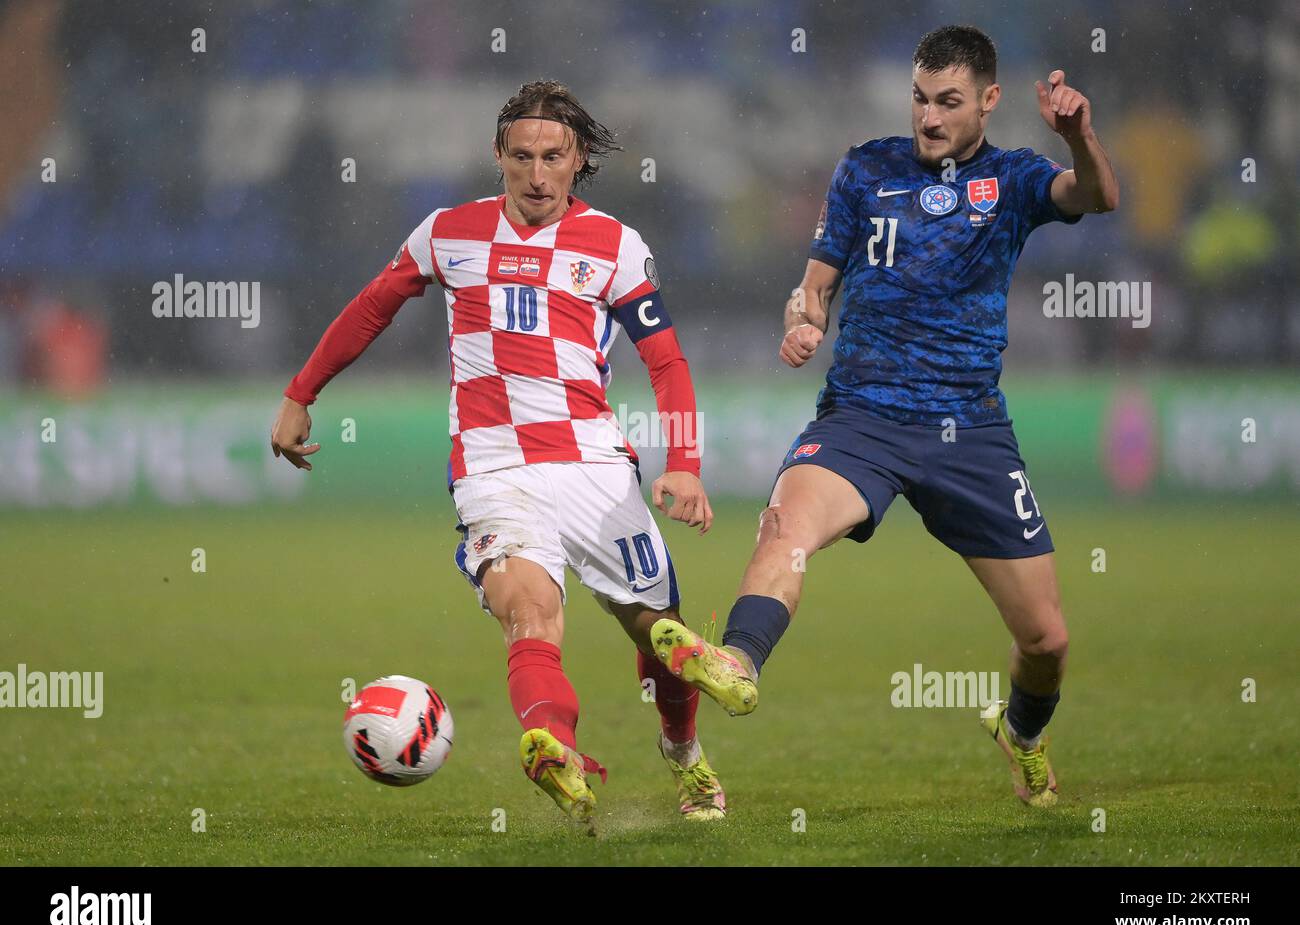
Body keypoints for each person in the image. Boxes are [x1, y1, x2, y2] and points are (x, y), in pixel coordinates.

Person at [651, 26, 1119, 808]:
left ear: (989, 102)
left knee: (1047, 640)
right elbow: (814, 285)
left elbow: (1097, 197)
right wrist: (803, 318)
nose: (929, 118)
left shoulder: (1014, 178)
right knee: (785, 527)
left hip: (970, 432)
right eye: (919, 98)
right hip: (861, 420)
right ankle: (736, 661)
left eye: (949, 102)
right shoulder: (866, 170)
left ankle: (1024, 734)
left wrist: (1080, 136)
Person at [271, 80, 732, 833]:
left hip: (593, 465)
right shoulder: (447, 232)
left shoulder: (615, 244)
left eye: (554, 157)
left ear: (577, 158)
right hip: (491, 468)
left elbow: (667, 360)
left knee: (656, 633)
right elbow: (373, 306)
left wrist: (685, 461)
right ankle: (557, 748)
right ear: (499, 156)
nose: (538, 175)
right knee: (529, 616)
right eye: (522, 157)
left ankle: (683, 752)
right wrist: (301, 391)